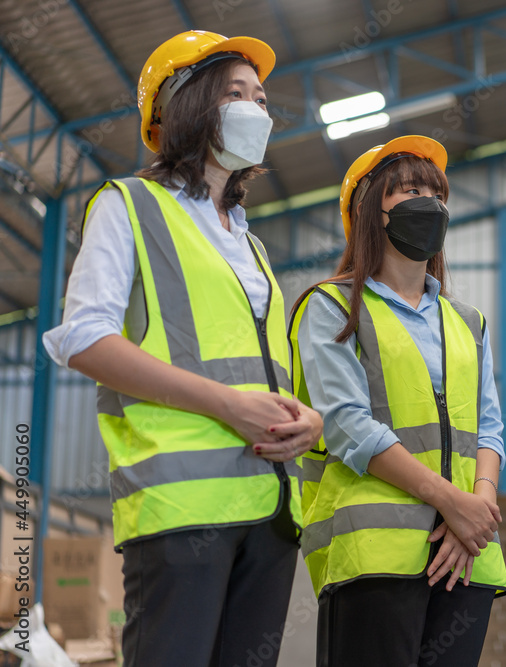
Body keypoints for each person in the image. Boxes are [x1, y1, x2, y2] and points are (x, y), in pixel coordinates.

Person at [42, 30, 322, 667]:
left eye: (261, 96)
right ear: (186, 103)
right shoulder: (128, 206)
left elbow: (265, 364)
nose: (257, 108)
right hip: (183, 509)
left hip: (272, 509)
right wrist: (228, 406)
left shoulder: (250, 245)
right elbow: (85, 337)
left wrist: (308, 418)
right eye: (236, 92)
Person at [288, 135, 506, 667]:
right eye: (410, 190)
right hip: (376, 553)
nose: (430, 204)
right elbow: (347, 426)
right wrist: (452, 504)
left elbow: (489, 428)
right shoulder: (331, 308)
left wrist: (475, 510)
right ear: (369, 210)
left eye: (437, 193)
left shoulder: (467, 321)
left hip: (466, 554)